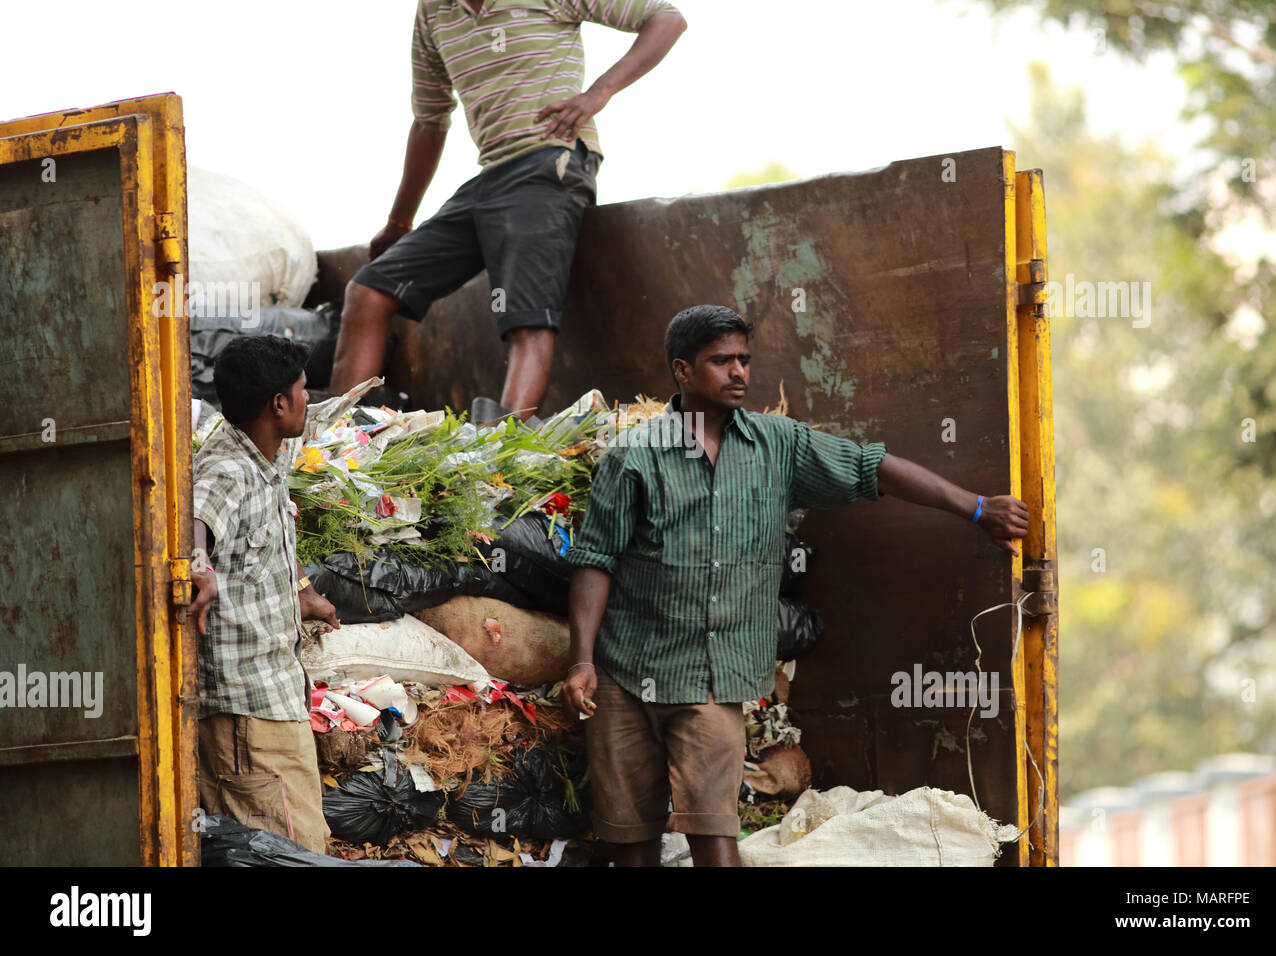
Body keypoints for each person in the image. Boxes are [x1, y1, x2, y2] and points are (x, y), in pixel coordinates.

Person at [563, 304, 1030, 867]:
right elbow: (595, 560)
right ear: (683, 371)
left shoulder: (778, 445)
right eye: (721, 361)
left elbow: (872, 468)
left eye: (744, 360)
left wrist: (977, 508)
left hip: (712, 680)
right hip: (625, 677)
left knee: (715, 841)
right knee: (631, 847)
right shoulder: (634, 458)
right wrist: (581, 660)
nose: (739, 372)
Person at [329, 0, 688, 422]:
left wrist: (597, 93)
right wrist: (398, 222)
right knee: (367, 291)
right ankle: (331, 442)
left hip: (548, 163)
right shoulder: (434, 13)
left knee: (525, 319)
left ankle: (501, 457)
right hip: (491, 177)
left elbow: (667, 18)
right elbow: (429, 119)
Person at [189, 335, 343, 853]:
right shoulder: (228, 467)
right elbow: (198, 515)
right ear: (278, 405)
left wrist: (301, 592)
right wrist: (198, 563)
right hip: (246, 711)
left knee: (300, 848)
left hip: (276, 697)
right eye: (302, 390)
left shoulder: (266, 456)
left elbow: (263, 547)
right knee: (281, 853)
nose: (308, 398)